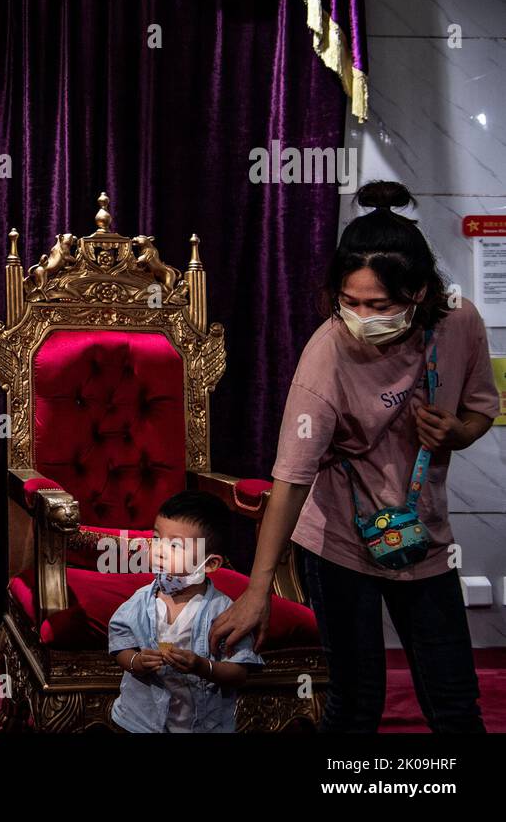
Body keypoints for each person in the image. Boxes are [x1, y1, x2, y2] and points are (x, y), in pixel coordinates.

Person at [210, 181, 497, 732]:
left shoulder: (460, 322)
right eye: (350, 302)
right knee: (356, 699)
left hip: (423, 536)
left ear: (420, 293)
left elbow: (481, 408)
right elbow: (290, 480)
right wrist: (257, 590)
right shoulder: (327, 355)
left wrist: (456, 432)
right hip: (341, 542)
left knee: (456, 699)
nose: (361, 317)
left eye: (380, 305)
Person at [108, 491, 262, 732]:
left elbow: (239, 672)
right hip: (142, 721)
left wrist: (202, 666)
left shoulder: (223, 612)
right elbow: (120, 643)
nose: (159, 550)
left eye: (175, 545)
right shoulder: (141, 600)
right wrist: (136, 661)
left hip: (200, 724)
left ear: (210, 564)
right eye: (157, 538)